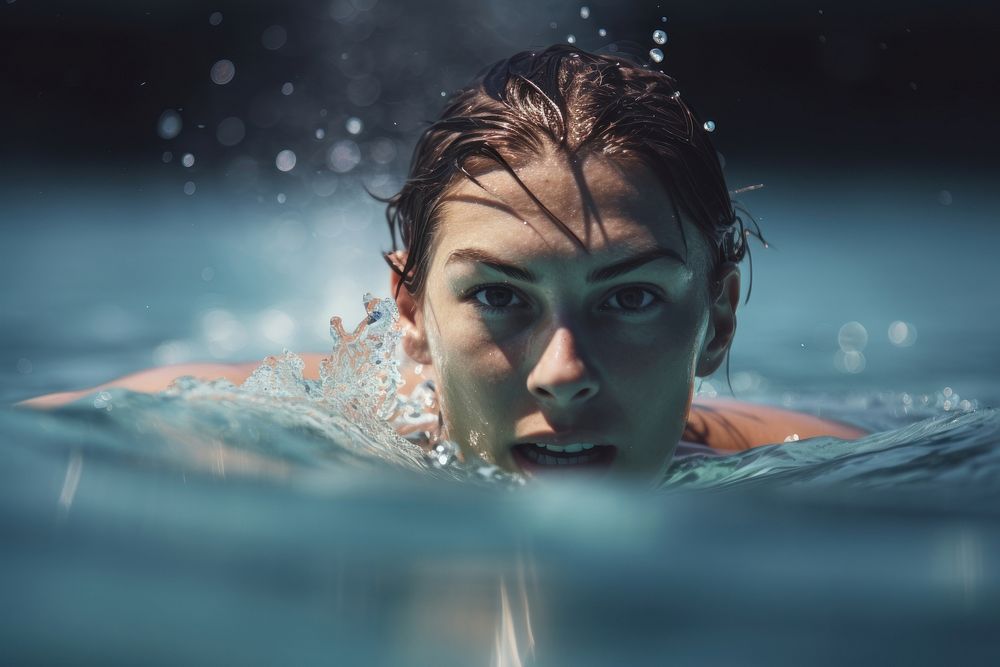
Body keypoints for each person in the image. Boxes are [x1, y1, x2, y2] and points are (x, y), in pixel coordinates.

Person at [22, 45, 863, 481]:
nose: (563, 374)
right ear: (413, 309)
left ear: (718, 317)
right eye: (501, 296)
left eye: (631, 297)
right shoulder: (303, 432)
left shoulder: (829, 464)